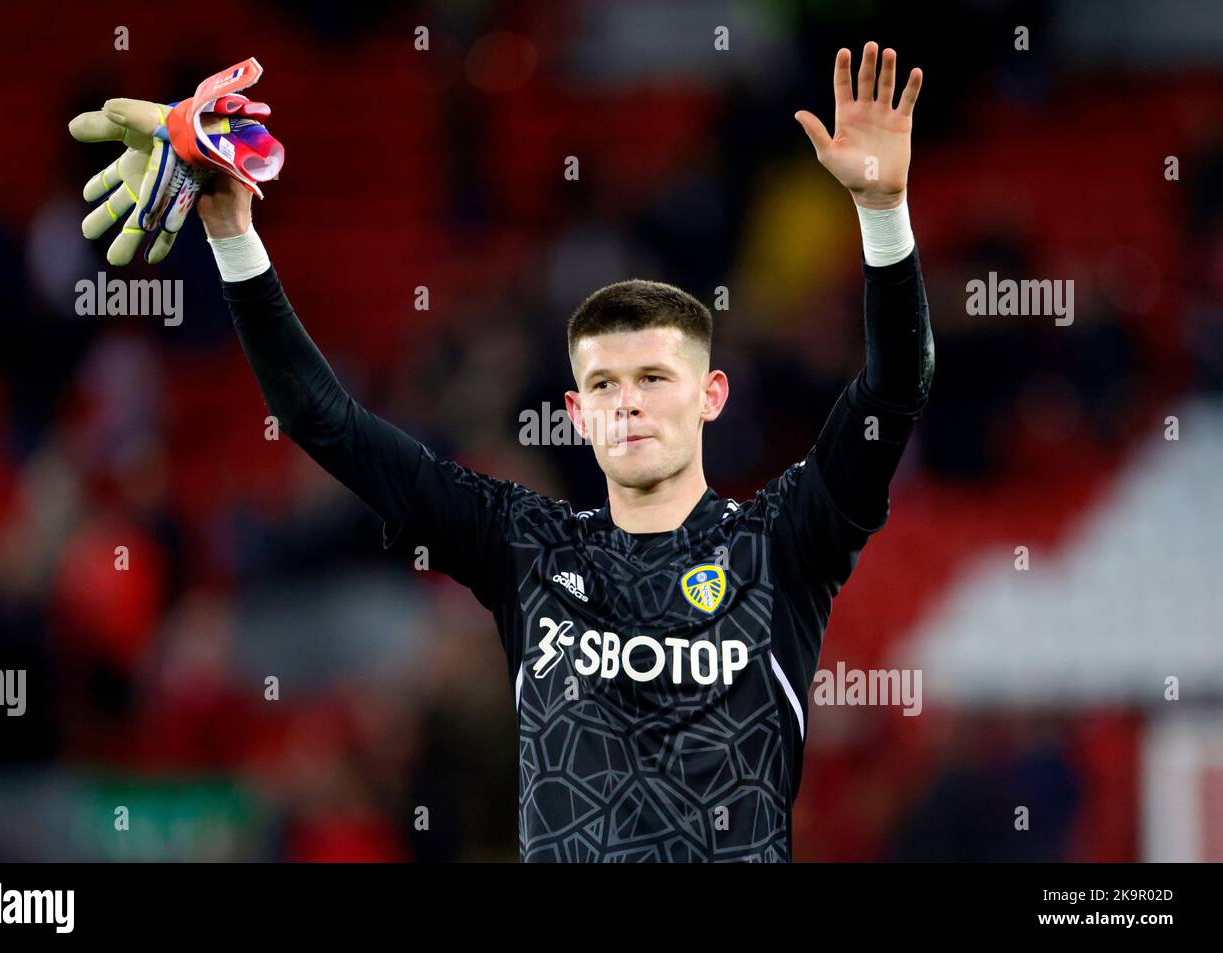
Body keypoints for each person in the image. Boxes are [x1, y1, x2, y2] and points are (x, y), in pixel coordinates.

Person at [198, 41, 932, 862]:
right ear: (579, 413)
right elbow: (319, 419)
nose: (632, 403)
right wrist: (233, 234)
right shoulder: (527, 547)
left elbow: (896, 386)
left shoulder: (784, 541)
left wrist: (882, 214)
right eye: (608, 385)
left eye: (656, 376)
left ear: (711, 396)